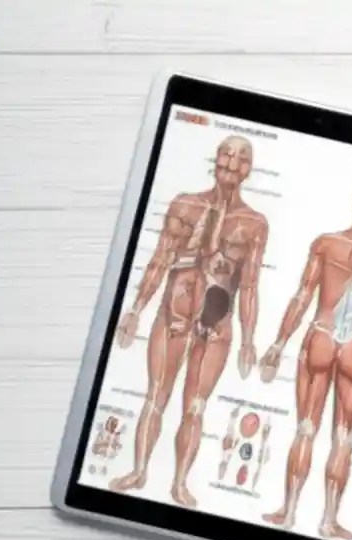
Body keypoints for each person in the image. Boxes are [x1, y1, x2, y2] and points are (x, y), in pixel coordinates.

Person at [110, 136, 268, 508]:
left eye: (241, 157)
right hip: (173, 314)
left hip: (218, 323)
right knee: (155, 397)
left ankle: (179, 484)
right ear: (215, 159)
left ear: (248, 170)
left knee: (195, 406)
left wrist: (248, 339)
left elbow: (250, 284)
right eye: (226, 153)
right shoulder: (185, 204)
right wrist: (135, 308)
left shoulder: (255, 223)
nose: (232, 161)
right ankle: (139, 471)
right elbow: (161, 258)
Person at [258, 175, 352, 540]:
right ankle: (326, 521)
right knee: (343, 438)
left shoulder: (328, 244)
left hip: (321, 335)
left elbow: (303, 295)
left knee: (306, 428)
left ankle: (289, 512)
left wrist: (278, 344)